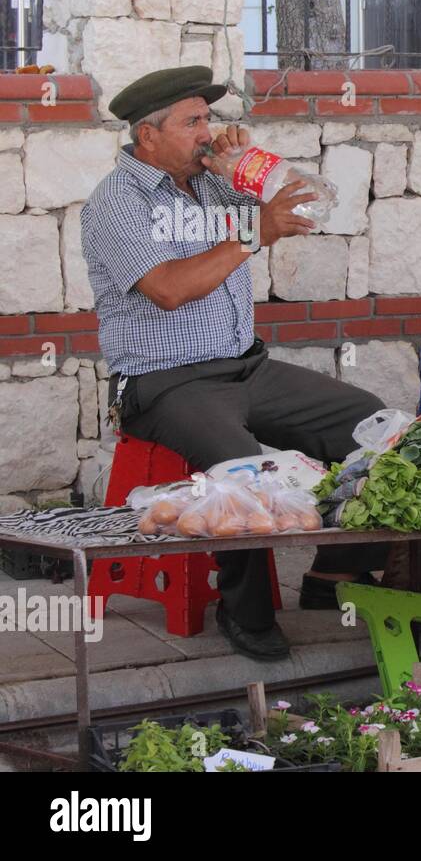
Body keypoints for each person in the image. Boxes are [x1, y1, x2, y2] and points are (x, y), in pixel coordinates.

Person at [82, 66, 390, 661]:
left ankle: (334, 578)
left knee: (370, 424)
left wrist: (247, 160)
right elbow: (168, 288)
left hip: (247, 368)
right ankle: (243, 612)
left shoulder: (212, 183)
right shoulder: (117, 202)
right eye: (193, 122)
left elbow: (290, 203)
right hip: (164, 381)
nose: (207, 132)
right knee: (243, 469)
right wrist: (255, 235)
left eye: (210, 119)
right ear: (148, 136)